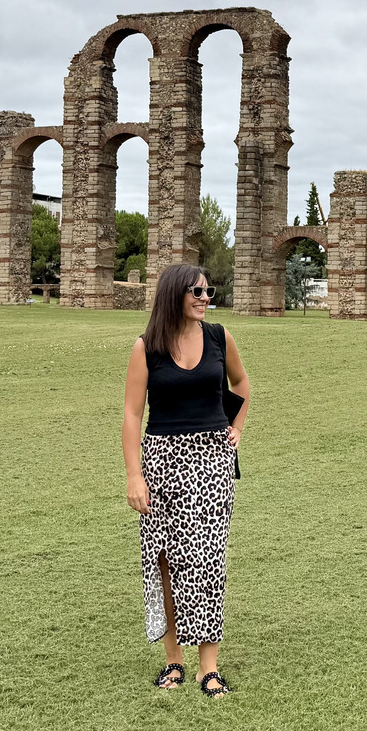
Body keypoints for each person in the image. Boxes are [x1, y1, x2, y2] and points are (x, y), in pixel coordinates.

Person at [121, 263, 250, 698]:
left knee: (209, 564)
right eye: (196, 290)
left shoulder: (219, 337)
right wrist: (134, 476)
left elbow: (242, 382)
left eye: (208, 290)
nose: (204, 296)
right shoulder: (147, 347)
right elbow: (132, 415)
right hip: (161, 463)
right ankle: (173, 662)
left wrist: (237, 427)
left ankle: (208, 669)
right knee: (167, 567)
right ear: (174, 294)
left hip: (212, 463)